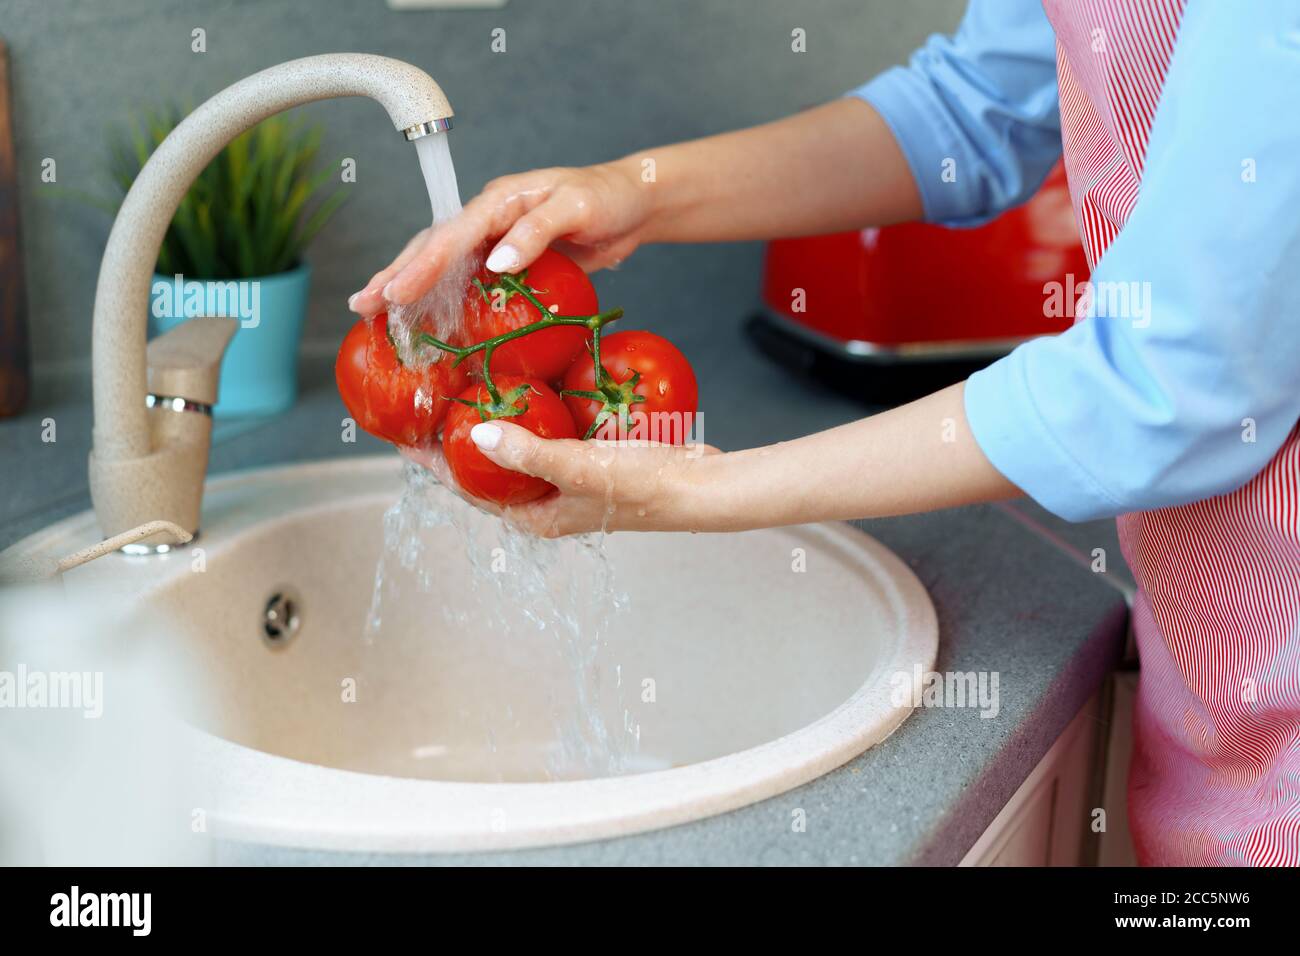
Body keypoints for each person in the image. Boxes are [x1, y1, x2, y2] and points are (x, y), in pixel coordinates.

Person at [350, 0, 1300, 866]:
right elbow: (972, 106)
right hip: (1217, 697)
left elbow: (1166, 381)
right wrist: (637, 188)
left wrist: (706, 491)